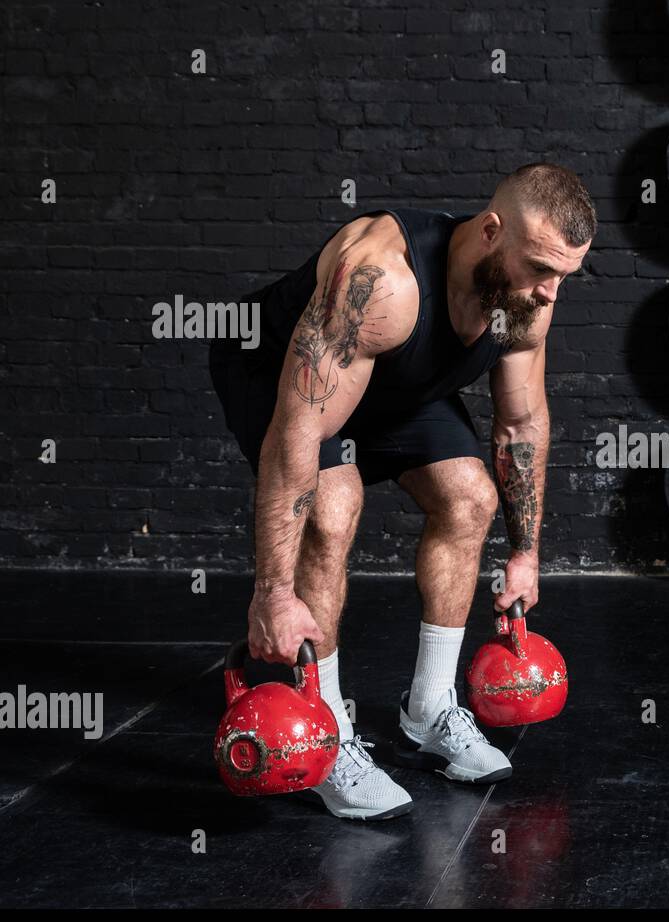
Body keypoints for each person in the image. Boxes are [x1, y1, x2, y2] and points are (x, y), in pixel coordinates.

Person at [209, 163, 595, 820]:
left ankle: (430, 711)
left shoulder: (526, 298)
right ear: (491, 230)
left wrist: (525, 552)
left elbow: (521, 424)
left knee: (470, 496)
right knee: (331, 511)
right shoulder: (379, 280)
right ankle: (325, 737)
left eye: (564, 275)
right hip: (282, 376)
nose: (551, 292)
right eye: (538, 268)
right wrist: (273, 592)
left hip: (394, 384)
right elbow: (297, 434)